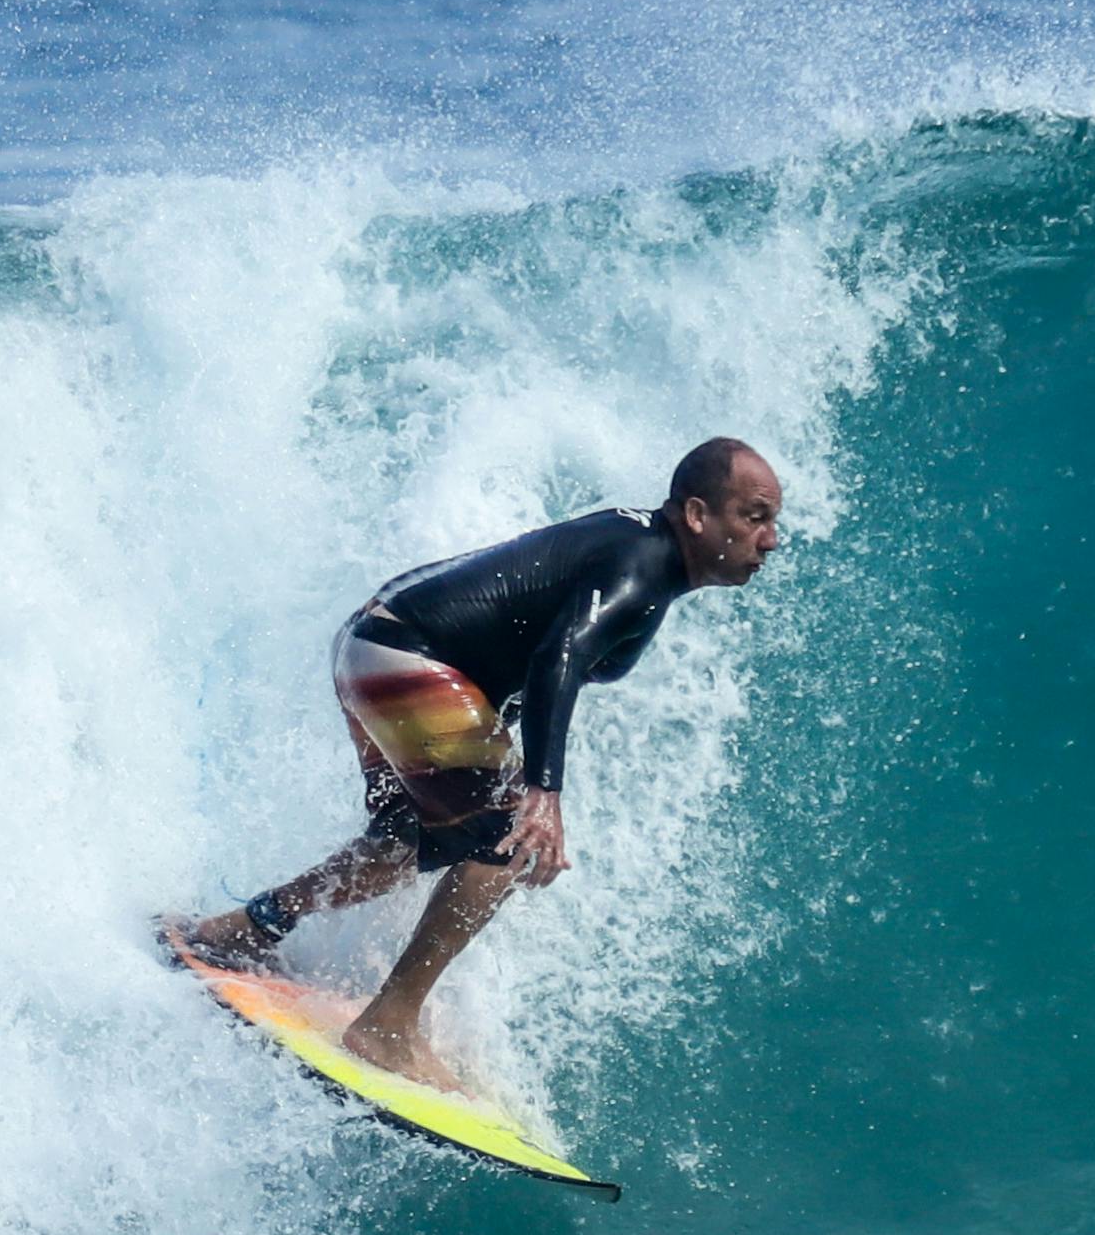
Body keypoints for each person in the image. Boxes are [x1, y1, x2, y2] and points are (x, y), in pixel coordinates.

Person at [167, 438, 786, 1087]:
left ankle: (246, 928)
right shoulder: (641, 564)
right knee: (508, 836)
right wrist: (542, 791)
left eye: (773, 521)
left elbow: (521, 649)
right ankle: (388, 1023)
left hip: (375, 647)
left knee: (411, 838)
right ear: (695, 514)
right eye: (754, 515)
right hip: (408, 658)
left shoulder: (638, 552)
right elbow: (560, 658)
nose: (770, 539)